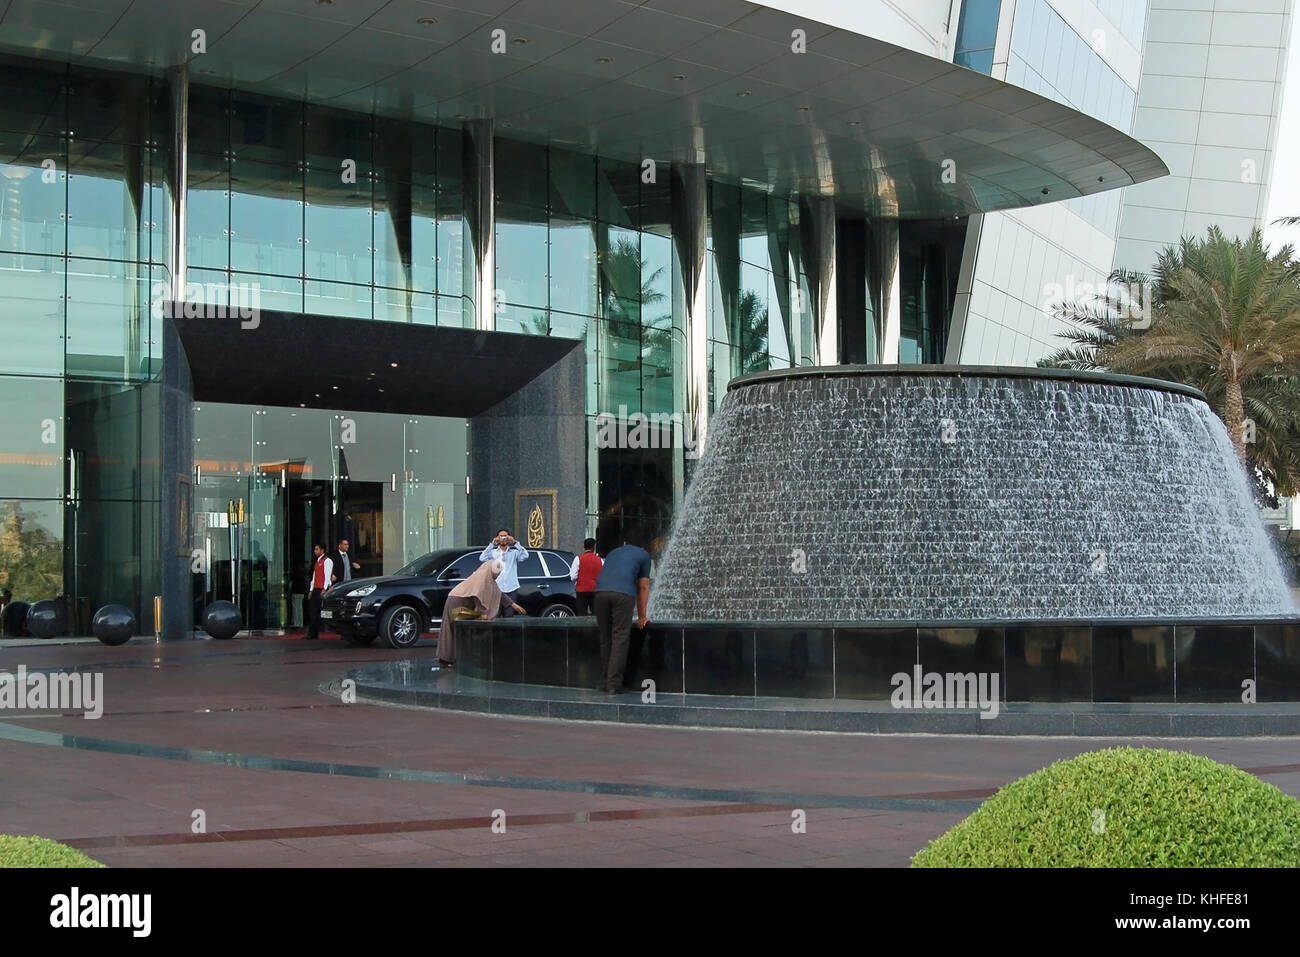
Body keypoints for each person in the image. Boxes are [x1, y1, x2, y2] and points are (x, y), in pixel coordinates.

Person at [436, 559, 524, 668]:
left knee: (452, 630)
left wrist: (513, 605)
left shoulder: (487, 577)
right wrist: (482, 613)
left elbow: (498, 592)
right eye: (498, 573)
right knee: (457, 631)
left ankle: (448, 659)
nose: (498, 576)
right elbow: (478, 595)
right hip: (458, 601)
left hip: (456, 599)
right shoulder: (482, 578)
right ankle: (451, 659)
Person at [592, 537, 652, 693]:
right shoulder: (644, 556)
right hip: (623, 595)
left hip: (600, 593)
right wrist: (642, 617)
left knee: (605, 638)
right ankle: (614, 685)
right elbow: (643, 587)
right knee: (620, 638)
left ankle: (606, 681)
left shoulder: (614, 552)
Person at [479, 529, 528, 615]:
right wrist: (492, 544)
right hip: (497, 588)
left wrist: (515, 543)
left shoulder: (514, 553)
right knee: (495, 614)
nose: (503, 538)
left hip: (511, 588)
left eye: (505, 536)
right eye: (501, 536)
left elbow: (525, 555)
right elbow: (482, 558)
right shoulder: (493, 553)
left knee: (509, 615)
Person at [305, 544, 333, 641]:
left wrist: (325, 589)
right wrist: (311, 590)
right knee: (313, 611)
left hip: (321, 589)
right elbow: (314, 577)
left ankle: (313, 633)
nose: (315, 551)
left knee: (317, 611)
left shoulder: (327, 561)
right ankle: (313, 633)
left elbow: (327, 575)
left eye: (317, 549)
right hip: (316, 589)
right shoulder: (317, 562)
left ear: (322, 550)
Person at [568, 539, 602, 616]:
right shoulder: (600, 560)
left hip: (581, 591)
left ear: (584, 547)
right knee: (596, 615)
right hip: (595, 591)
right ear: (594, 547)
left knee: (581, 615)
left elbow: (572, 577)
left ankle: (583, 628)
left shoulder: (578, 559)